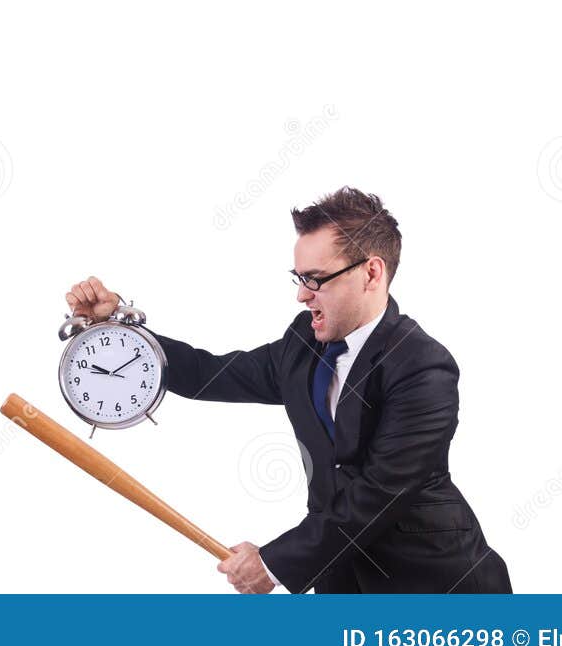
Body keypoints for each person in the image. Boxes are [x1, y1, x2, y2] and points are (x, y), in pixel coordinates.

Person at [65, 187, 510, 594]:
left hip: (440, 591)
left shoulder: (423, 366)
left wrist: (274, 564)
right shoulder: (304, 344)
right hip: (342, 588)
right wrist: (118, 325)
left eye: (315, 279)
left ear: (371, 273)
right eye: (297, 278)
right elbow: (210, 374)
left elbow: (379, 494)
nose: (301, 295)